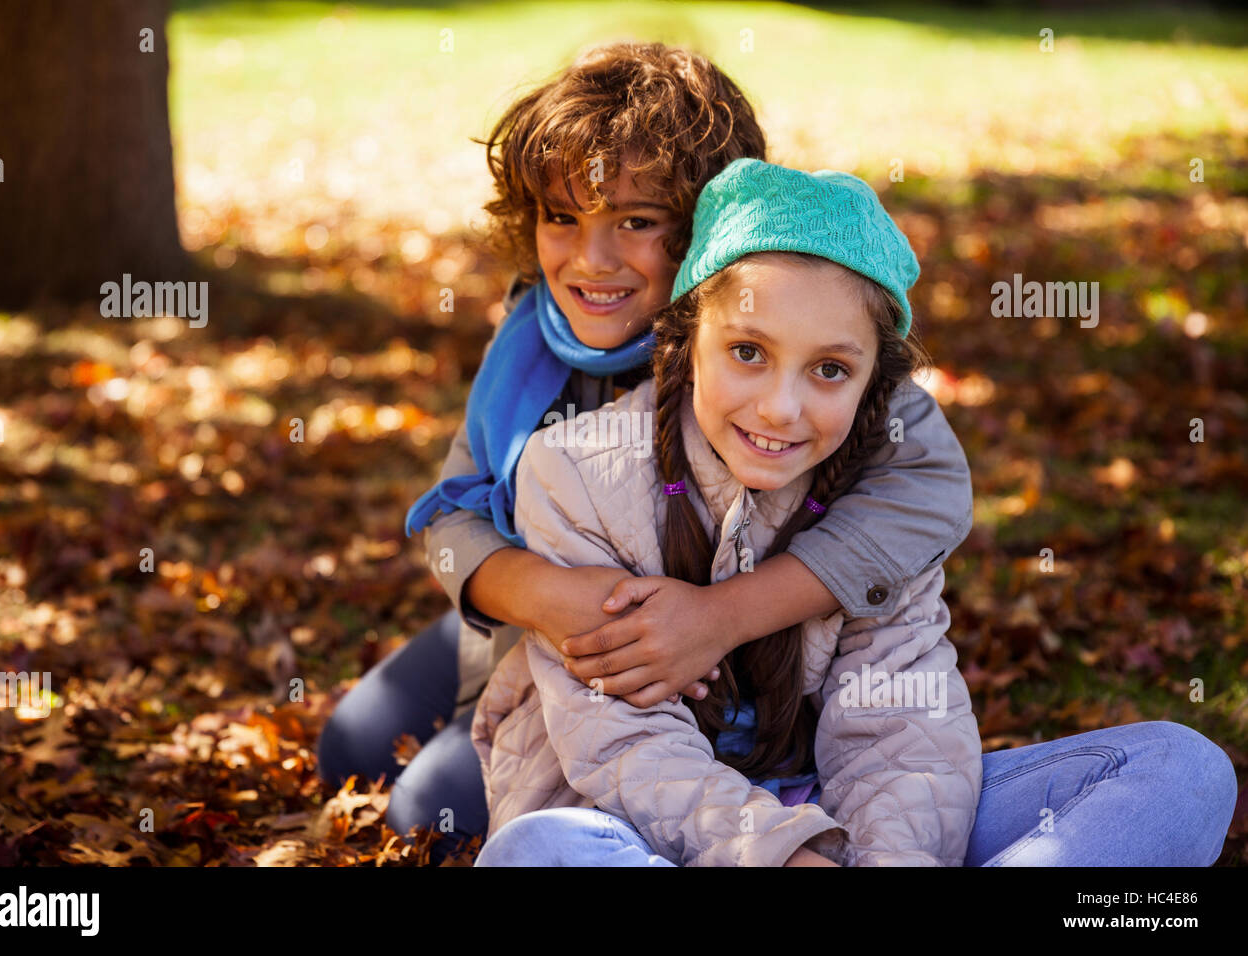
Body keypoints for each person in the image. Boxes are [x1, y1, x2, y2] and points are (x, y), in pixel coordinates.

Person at [471, 159, 1239, 867]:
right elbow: (629, 747)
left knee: (1183, 770)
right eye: (747, 351)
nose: (781, 407)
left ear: (875, 384)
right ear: (685, 338)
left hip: (843, 812)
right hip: (652, 829)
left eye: (830, 370)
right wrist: (786, 855)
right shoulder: (572, 471)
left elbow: (902, 728)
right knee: (538, 851)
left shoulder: (882, 482)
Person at [316, 43, 974, 862]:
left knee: (433, 799)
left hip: (701, 663)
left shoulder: (791, 339)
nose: (593, 261)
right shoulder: (534, 337)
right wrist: (548, 597)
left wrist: (722, 616)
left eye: (635, 221)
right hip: (553, 617)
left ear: (708, 225)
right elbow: (451, 516)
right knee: (348, 744)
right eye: (563, 217)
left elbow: (928, 492)